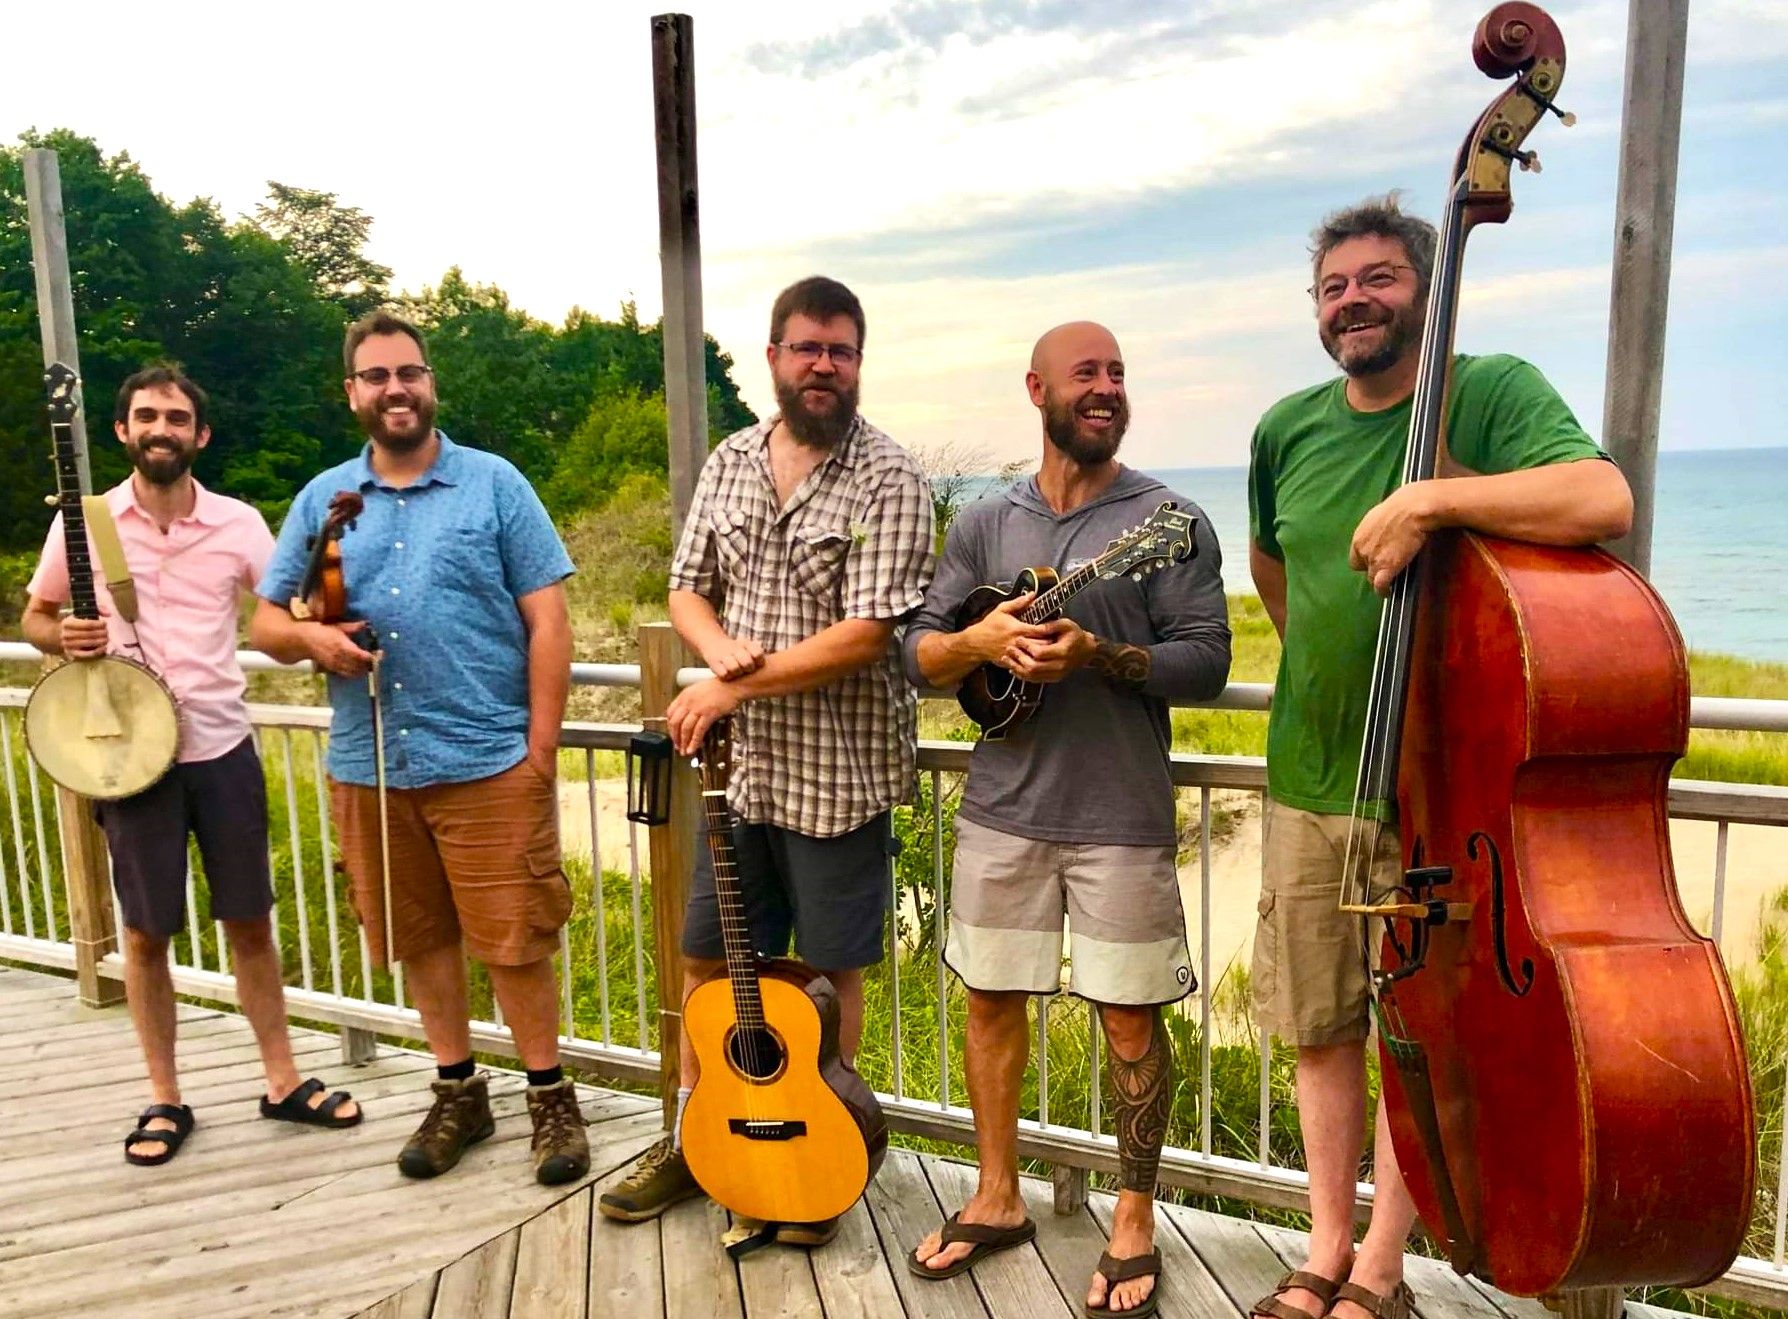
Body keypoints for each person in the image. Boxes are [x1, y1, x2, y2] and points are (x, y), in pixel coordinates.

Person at [1244, 195, 1633, 1319]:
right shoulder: (1285, 428)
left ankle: (1380, 1264)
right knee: (1321, 1023)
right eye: (1333, 287)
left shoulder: (1490, 390)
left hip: (1442, 792)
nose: (1353, 301)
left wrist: (1434, 498)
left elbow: (1600, 496)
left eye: (1376, 279)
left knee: (1417, 1028)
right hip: (1312, 775)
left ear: (1426, 287)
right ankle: (1322, 1246)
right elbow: (1284, 577)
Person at [597, 276, 935, 1246]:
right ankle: (695, 1133)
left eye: (840, 349)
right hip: (735, 779)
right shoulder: (733, 461)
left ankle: (816, 1155)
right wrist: (714, 651)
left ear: (858, 363)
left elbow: (866, 635)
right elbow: (686, 587)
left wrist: (733, 687)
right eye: (805, 347)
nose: (822, 364)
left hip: (840, 779)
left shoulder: (889, 477)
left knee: (828, 976)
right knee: (707, 959)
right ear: (775, 357)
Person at [904, 321, 1231, 1318]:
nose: (1106, 387)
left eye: (1118, 373)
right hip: (1003, 805)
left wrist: (1099, 654)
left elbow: (1207, 660)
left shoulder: (1168, 518)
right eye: (1086, 372)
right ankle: (998, 1194)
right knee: (990, 1000)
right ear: (1038, 386)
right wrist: (980, 640)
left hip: (1120, 814)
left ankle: (1133, 1218)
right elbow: (918, 651)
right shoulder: (988, 522)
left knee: (1131, 1016)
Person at [250, 311, 587, 1186]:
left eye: (410, 372)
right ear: (352, 391)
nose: (395, 388)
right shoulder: (322, 500)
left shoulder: (494, 483)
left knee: (515, 941)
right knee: (422, 938)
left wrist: (540, 752)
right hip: (371, 763)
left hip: (487, 756)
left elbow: (548, 619)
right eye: (376, 375)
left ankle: (550, 1095)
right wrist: (312, 642)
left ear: (430, 382)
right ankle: (458, 1091)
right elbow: (267, 619)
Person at [22, 364, 362, 1166]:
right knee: (144, 933)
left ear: (200, 435)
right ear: (121, 430)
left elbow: (285, 610)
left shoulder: (240, 523)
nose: (161, 429)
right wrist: (59, 638)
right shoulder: (88, 522)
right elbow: (37, 615)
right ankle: (165, 1095)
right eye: (146, 416)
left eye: (176, 418)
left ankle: (280, 1081)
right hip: (130, 762)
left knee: (250, 921)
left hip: (221, 745)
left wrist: (331, 613)